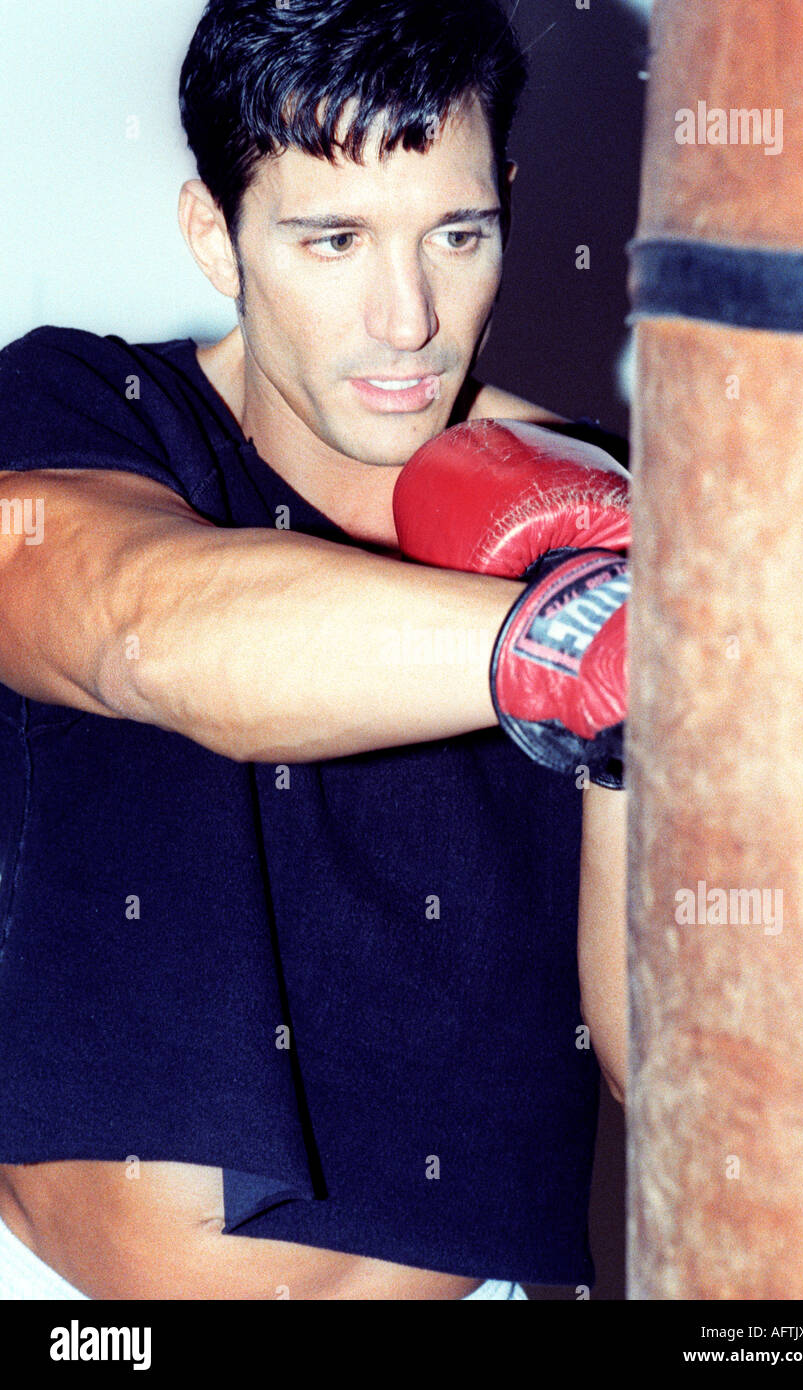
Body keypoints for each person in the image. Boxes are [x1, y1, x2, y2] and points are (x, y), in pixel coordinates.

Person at [0, 0, 628, 1300]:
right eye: (332, 239)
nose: (407, 318)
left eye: (456, 234)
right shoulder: (77, 410)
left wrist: (637, 713)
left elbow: (653, 1057)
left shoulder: (607, 522)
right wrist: (566, 647)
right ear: (214, 237)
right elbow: (140, 627)